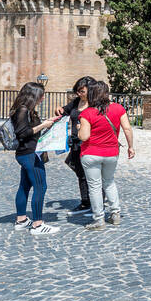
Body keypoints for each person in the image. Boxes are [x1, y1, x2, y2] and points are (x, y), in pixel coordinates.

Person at [75, 80, 135, 230]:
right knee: (109, 181)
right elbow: (127, 129)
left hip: (91, 153)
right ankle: (115, 214)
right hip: (111, 153)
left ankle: (99, 219)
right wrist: (131, 147)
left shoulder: (87, 113)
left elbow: (83, 137)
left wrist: (79, 127)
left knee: (95, 186)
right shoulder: (118, 108)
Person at [10, 81, 62, 235]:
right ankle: (38, 224)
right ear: (32, 96)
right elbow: (23, 133)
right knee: (40, 186)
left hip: (27, 153)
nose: (43, 98)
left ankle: (22, 220)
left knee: (25, 186)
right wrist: (42, 126)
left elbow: (28, 130)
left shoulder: (25, 110)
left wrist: (49, 122)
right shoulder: (22, 110)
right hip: (29, 154)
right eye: (41, 95)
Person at [55, 76, 97, 213]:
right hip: (76, 143)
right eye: (77, 91)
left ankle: (98, 202)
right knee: (80, 172)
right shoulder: (76, 102)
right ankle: (85, 202)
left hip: (91, 144)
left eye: (82, 91)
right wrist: (59, 110)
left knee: (93, 174)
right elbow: (65, 111)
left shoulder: (96, 104)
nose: (79, 94)